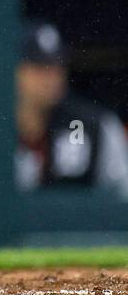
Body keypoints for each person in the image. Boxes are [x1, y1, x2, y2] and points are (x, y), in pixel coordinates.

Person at [15, 22, 128, 192]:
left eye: (57, 66)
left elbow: (122, 194)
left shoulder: (91, 123)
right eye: (40, 67)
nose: (52, 77)